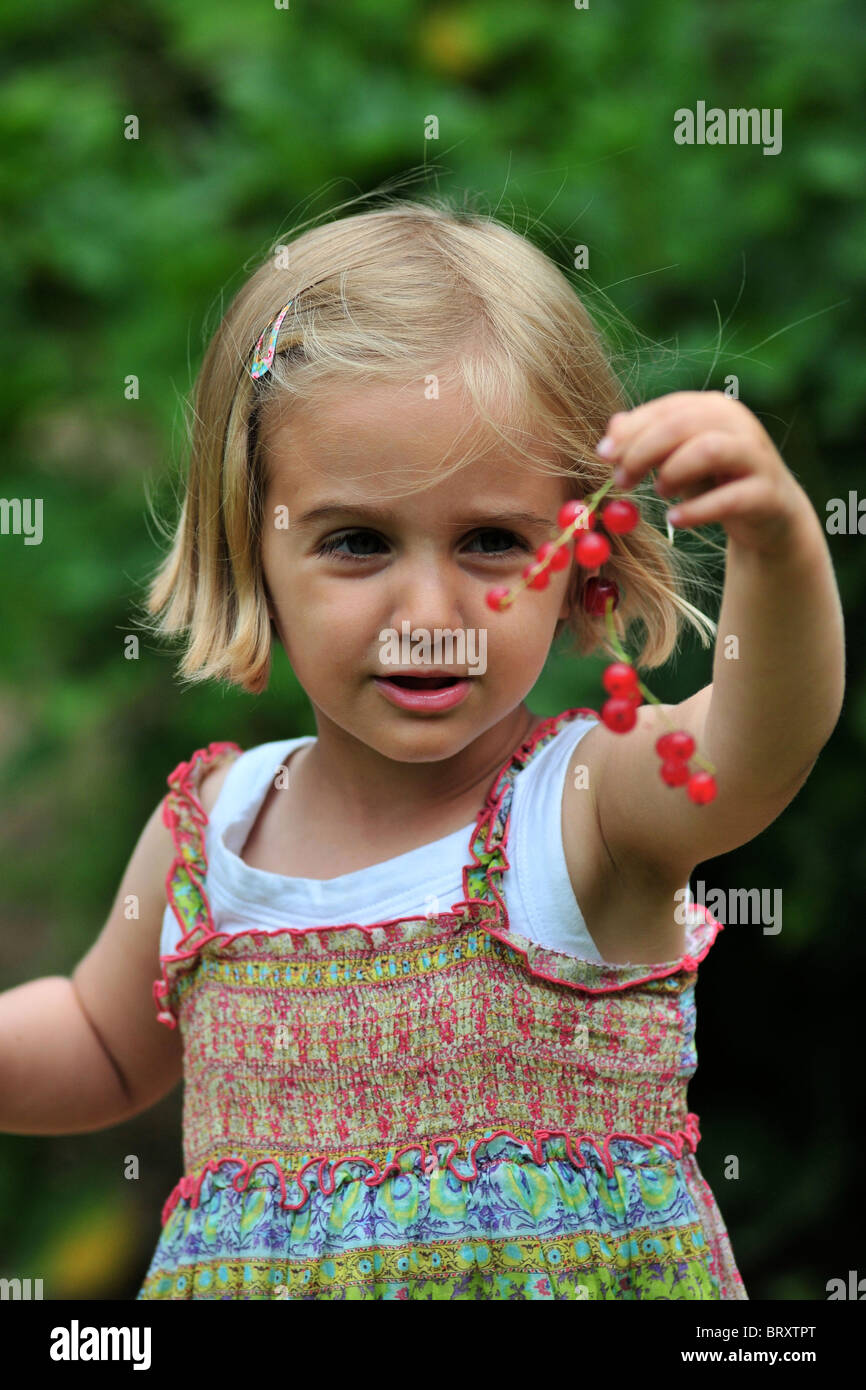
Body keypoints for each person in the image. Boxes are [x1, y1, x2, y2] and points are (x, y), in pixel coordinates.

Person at [0, 198, 844, 1301]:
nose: (429, 608)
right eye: (357, 541)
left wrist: (775, 542)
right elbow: (101, 1045)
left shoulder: (584, 805)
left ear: (584, 547)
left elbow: (759, 738)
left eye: (490, 540)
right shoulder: (211, 828)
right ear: (248, 550)